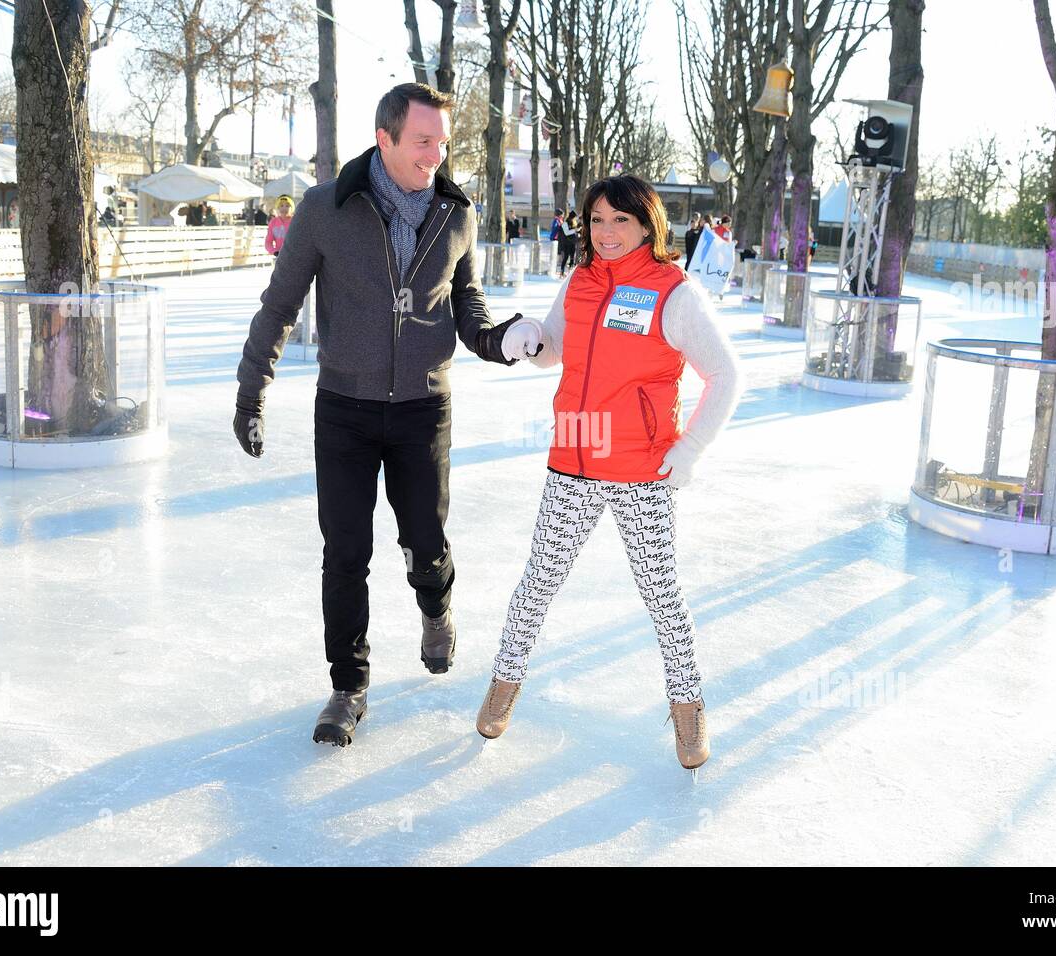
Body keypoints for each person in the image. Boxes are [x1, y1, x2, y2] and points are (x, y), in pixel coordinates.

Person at [234, 82, 529, 748]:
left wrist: (501, 340)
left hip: (424, 407)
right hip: (344, 408)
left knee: (425, 541)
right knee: (345, 553)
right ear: (385, 138)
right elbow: (279, 304)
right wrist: (252, 391)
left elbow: (470, 307)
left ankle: (436, 607)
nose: (436, 154)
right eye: (423, 141)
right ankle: (348, 686)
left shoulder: (456, 213)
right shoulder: (326, 208)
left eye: (442, 142)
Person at [474, 175, 743, 771]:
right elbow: (554, 352)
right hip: (574, 454)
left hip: (642, 468)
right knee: (537, 583)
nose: (607, 232)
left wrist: (691, 447)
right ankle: (503, 686)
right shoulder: (580, 282)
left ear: (648, 224)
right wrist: (528, 337)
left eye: (621, 220)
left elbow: (725, 375)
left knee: (661, 595)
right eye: (596, 220)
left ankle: (688, 710)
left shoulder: (674, 292)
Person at [556, 211, 579, 277]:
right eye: (574, 218)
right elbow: (567, 232)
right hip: (566, 243)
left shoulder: (574, 223)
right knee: (565, 257)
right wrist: (575, 230)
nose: (574, 220)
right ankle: (562, 272)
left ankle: (570, 273)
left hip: (572, 243)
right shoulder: (565, 223)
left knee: (572, 258)